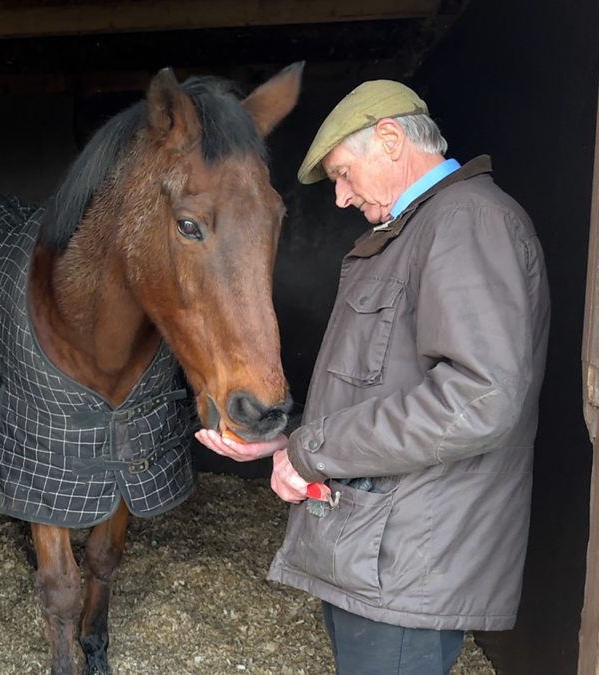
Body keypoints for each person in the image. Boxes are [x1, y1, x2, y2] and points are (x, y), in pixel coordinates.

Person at [195, 80, 550, 674]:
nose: (339, 197)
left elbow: (478, 399)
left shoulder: (466, 222)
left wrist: (313, 451)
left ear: (389, 139)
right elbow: (391, 391)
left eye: (341, 172)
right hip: (381, 553)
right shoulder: (421, 230)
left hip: (409, 561)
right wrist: (287, 441)